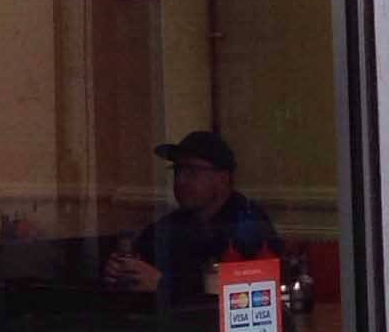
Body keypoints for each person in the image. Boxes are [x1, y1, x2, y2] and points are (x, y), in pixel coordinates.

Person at [104, 131, 282, 307]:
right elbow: (139, 268)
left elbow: (244, 294)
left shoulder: (248, 223)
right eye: (177, 171)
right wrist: (121, 273)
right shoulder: (169, 226)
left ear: (222, 179)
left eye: (192, 171)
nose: (180, 180)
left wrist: (163, 284)